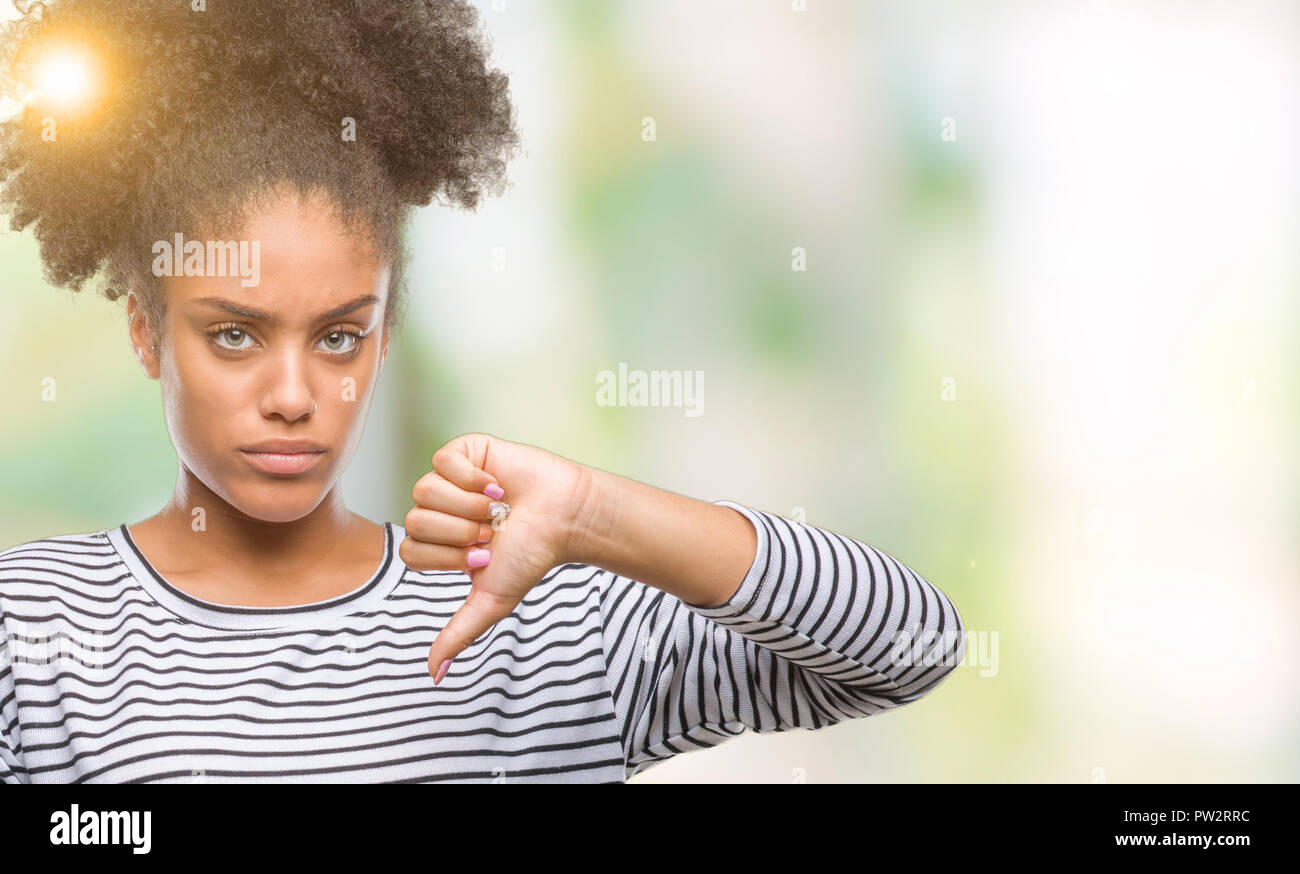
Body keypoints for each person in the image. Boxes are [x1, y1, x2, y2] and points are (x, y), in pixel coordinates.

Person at [0, 0, 966, 783]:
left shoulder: (540, 628)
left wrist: (595, 509)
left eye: (340, 336)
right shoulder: (35, 634)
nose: (293, 394)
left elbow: (912, 642)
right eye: (235, 335)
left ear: (384, 337)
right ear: (144, 330)